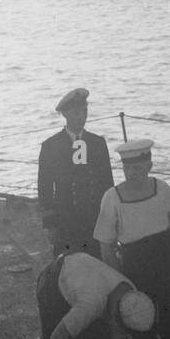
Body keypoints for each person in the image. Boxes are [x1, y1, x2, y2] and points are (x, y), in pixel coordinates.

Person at [94, 139, 170, 339]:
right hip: (135, 266)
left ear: (149, 165)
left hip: (167, 261)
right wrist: (120, 283)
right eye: (127, 168)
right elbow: (106, 246)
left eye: (138, 168)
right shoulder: (112, 198)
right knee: (142, 324)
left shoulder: (162, 188)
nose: (132, 173)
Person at [37, 87, 114, 258]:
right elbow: (45, 188)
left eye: (84, 111)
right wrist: (50, 225)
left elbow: (107, 183)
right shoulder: (51, 146)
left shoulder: (97, 143)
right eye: (76, 113)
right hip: (66, 220)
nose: (82, 117)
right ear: (65, 114)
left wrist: (111, 218)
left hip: (95, 217)